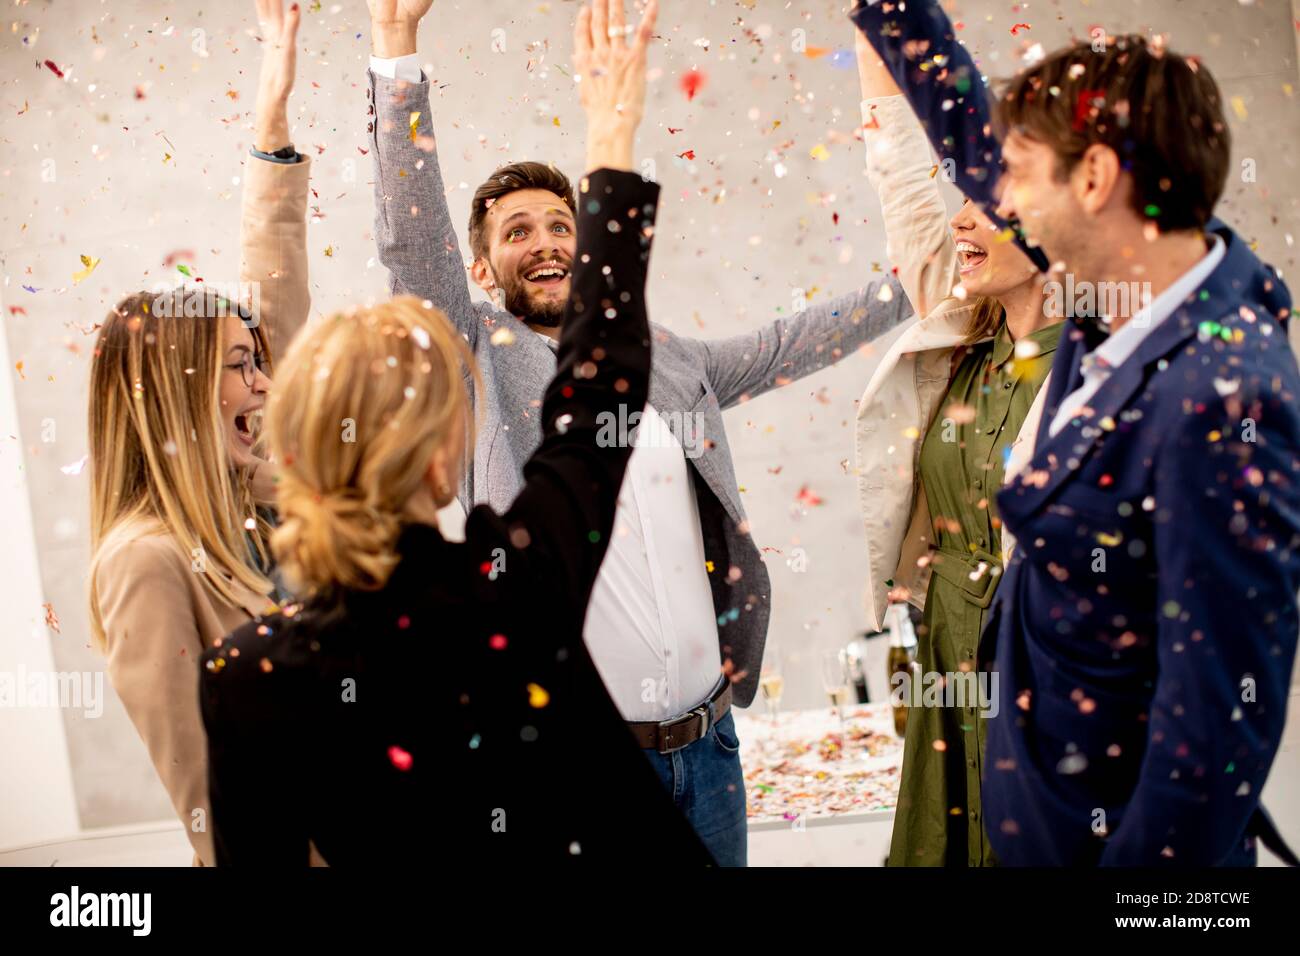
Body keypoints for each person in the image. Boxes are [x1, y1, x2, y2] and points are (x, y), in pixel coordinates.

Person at [364, 0, 914, 865]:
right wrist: (397, 51)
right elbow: (414, 243)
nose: (546, 244)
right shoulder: (472, 351)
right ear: (479, 269)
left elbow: (791, 343)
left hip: (711, 750)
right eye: (517, 233)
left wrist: (924, 280)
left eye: (560, 226)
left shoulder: (663, 361)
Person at [198, 0, 712, 866]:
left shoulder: (247, 678)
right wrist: (612, 136)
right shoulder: (515, 586)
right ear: (441, 459)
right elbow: (601, 385)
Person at [852, 0, 1300, 866]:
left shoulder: (1223, 391)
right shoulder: (1120, 289)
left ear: (1094, 179)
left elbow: (1210, 733)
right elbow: (963, 134)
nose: (995, 193)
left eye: (1017, 174)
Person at [86, 0, 309, 867]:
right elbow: (208, 801)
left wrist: (272, 120)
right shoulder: (144, 561)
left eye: (258, 360)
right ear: (173, 395)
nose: (263, 382)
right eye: (237, 366)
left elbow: (276, 296)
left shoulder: (259, 500)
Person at [851, 31, 1062, 867]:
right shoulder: (959, 322)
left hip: (1038, 670)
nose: (960, 219)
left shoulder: (1098, 364)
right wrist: (873, 24)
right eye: (963, 198)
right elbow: (900, 174)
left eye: (987, 204)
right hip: (946, 658)